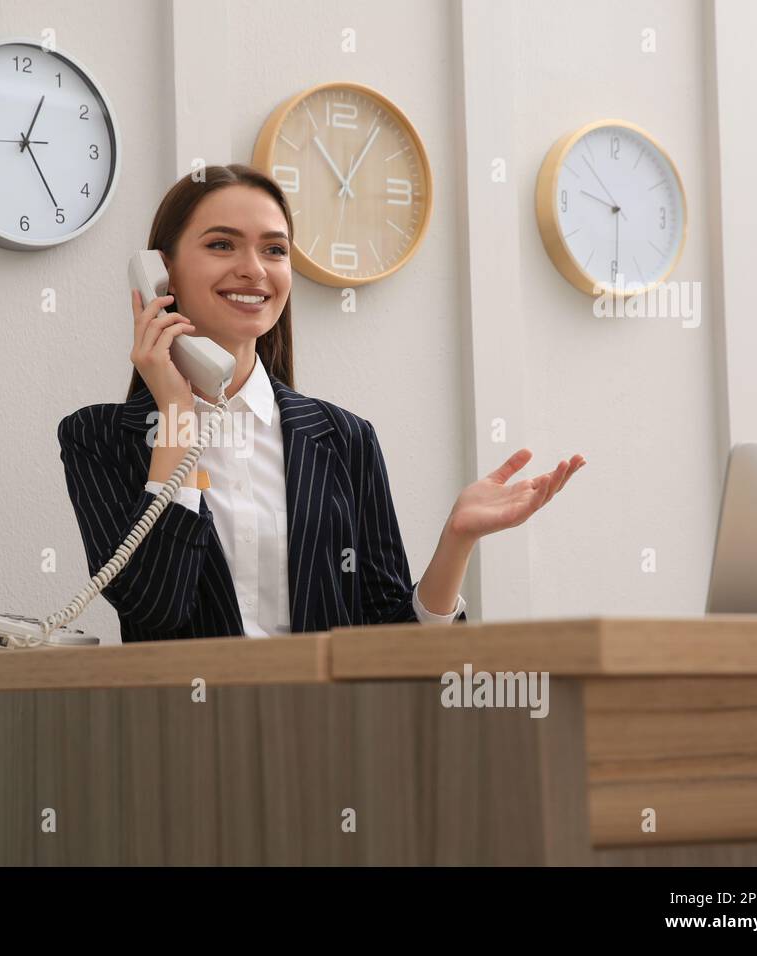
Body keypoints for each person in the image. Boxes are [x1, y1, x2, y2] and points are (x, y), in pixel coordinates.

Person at [57, 164, 584, 642]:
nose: (254, 270)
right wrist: (175, 414)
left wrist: (457, 540)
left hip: (328, 734)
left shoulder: (345, 437)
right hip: (191, 736)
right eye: (222, 245)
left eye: (274, 249)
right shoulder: (97, 439)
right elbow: (155, 608)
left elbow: (391, 641)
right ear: (159, 273)